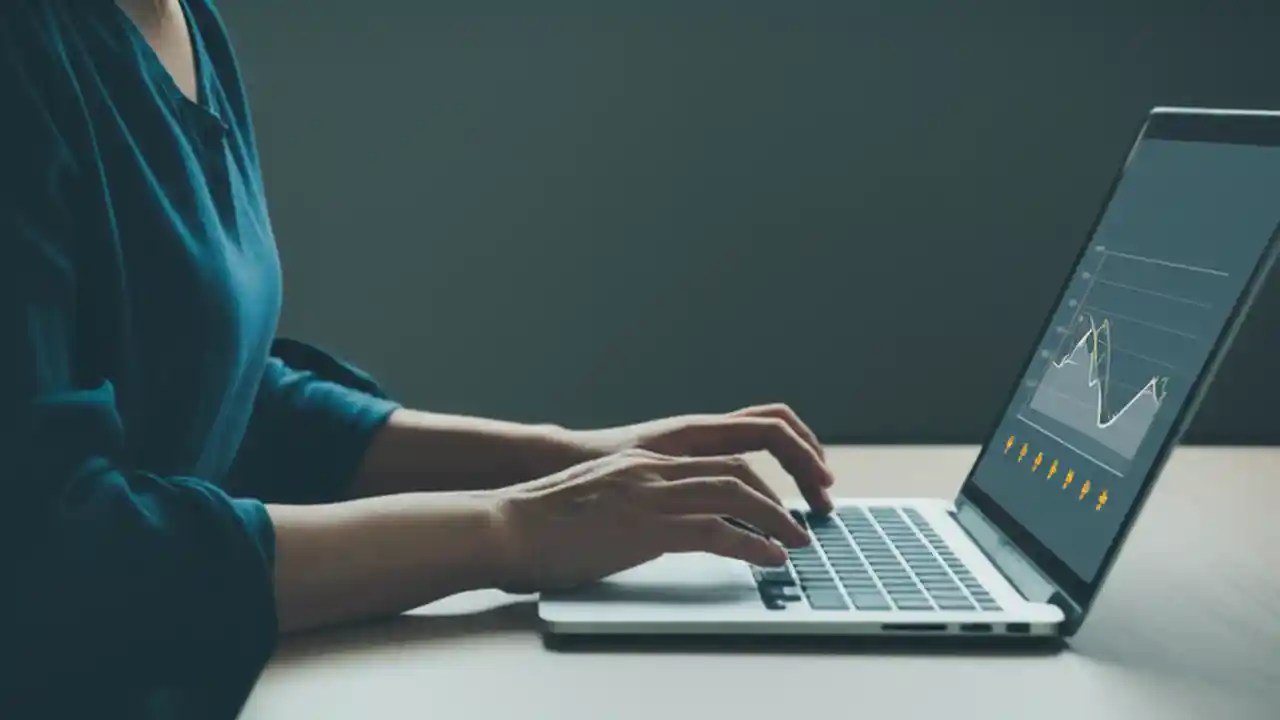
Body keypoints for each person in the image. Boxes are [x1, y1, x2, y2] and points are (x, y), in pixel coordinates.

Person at [1, 1, 834, 716]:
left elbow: (207, 394)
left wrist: (565, 461)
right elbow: (54, 559)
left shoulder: (177, 17)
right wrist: (512, 530)